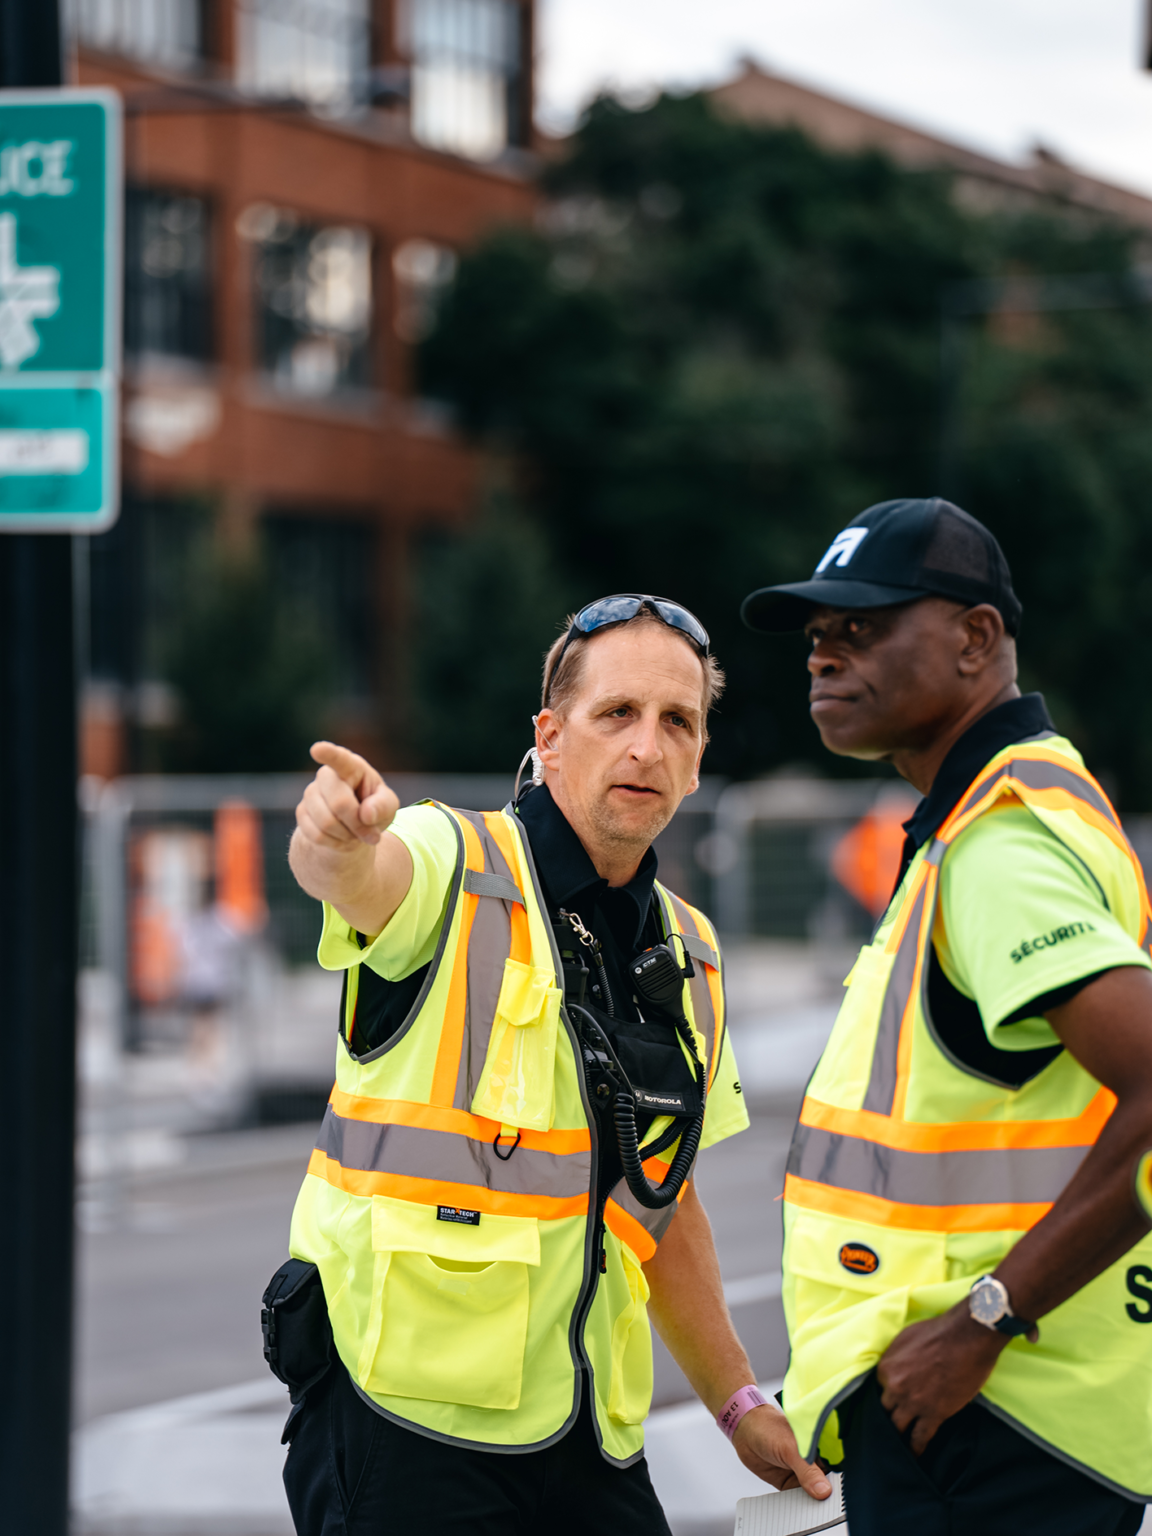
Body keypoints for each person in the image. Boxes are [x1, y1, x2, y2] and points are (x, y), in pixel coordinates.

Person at [279, 595, 831, 1535]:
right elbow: (362, 881)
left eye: (677, 722)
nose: (647, 747)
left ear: (699, 758)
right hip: (406, 1429)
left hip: (588, 1443)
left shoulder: (690, 951)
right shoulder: (452, 860)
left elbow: (663, 1203)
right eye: (616, 713)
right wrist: (334, 844)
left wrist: (740, 1406)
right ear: (551, 736)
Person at [741, 497, 1152, 1536]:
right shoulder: (982, 821)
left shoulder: (999, 846)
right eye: (818, 635)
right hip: (1003, 1415)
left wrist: (985, 1322)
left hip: (994, 1418)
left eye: (863, 626)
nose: (824, 655)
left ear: (976, 639)